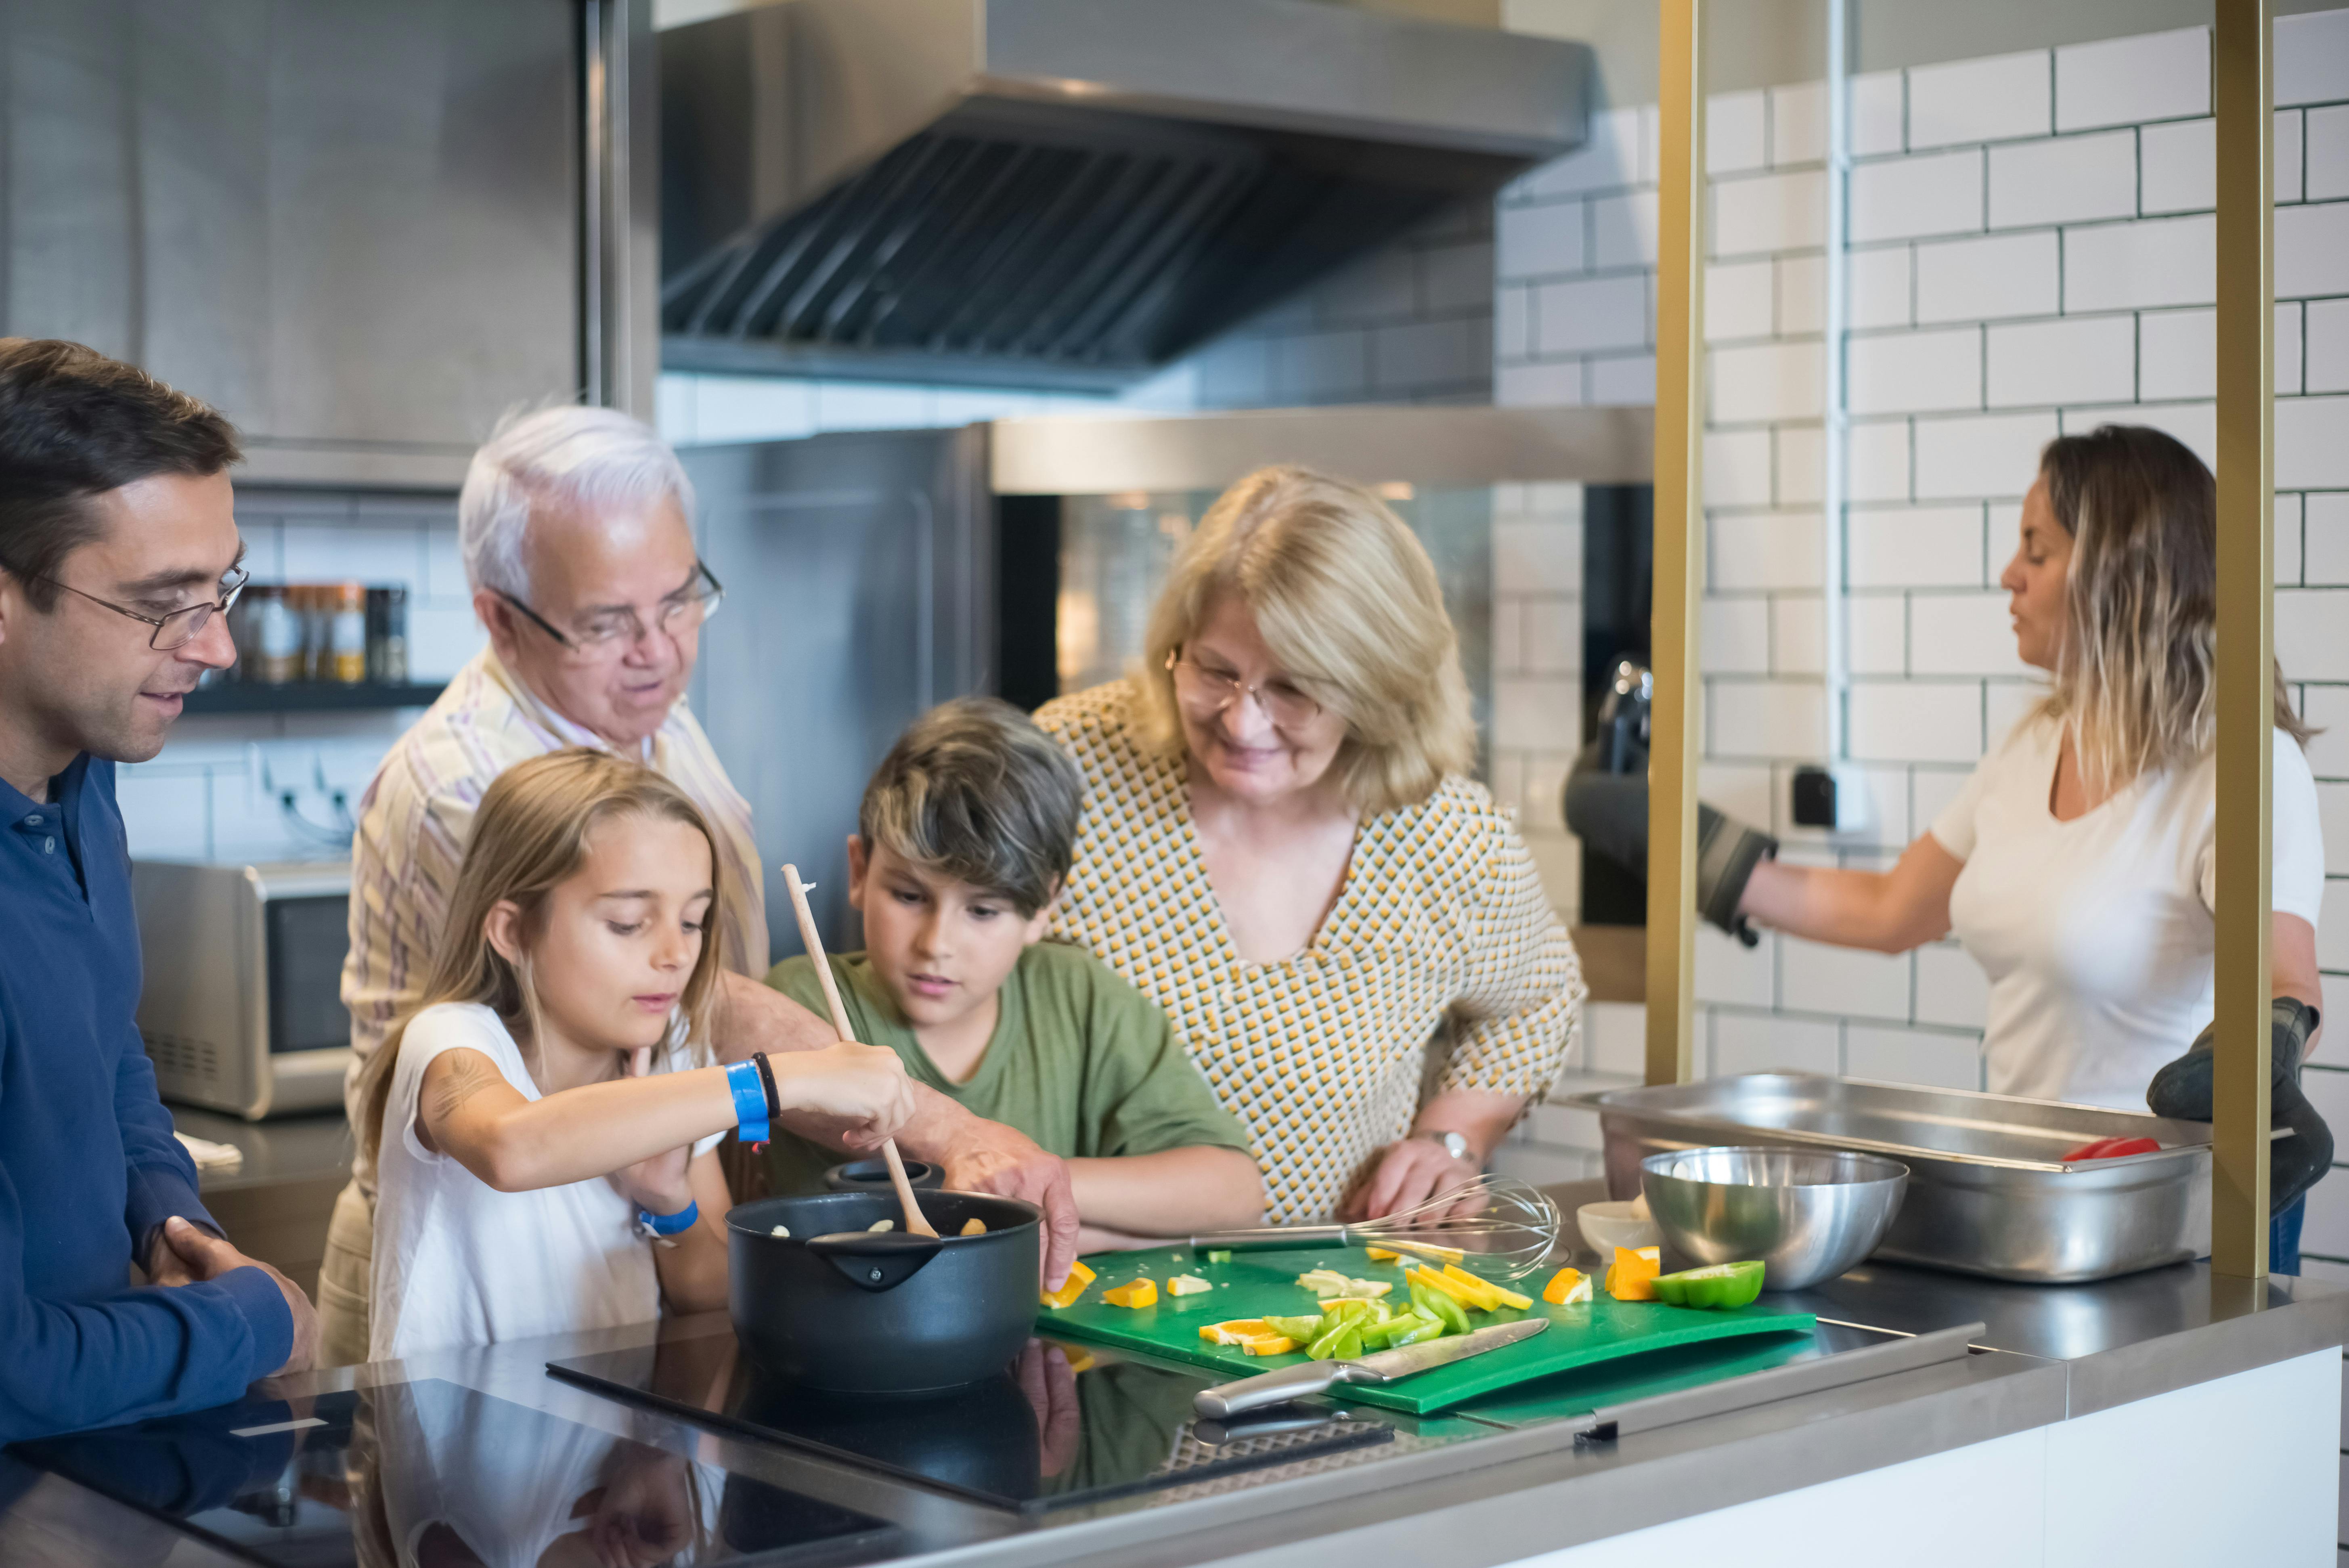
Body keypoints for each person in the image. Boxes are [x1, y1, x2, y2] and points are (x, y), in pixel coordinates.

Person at [322, 407, 1077, 1364]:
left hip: (623, 1248)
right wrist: (911, 1116)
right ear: (500, 618)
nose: (660, 649)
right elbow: (694, 1005)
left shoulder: (639, 705)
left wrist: (682, 1204)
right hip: (471, 1270)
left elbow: (682, 1035)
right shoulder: (461, 787)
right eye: (608, 623)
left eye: (680, 601)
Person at [1575, 426, 2328, 1268]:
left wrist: (2261, 1051)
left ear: (2122, 572)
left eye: (2036, 552)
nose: (2009, 574)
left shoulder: (2244, 767)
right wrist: (1680, 844)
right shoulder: (2033, 745)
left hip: (2169, 1216)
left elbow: (2284, 978)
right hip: (2039, 1198)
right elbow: (1891, 909)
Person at [1034, 466, 1585, 1226]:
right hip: (1072, 1297)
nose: (1241, 722)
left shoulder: (1449, 841)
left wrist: (1452, 1140)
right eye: (1216, 671)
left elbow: (1536, 1003)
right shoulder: (1069, 766)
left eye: (1293, 689)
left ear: (1376, 688)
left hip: (1328, 1306)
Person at [0, 338, 318, 1440]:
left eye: (220, 587)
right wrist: (254, 1318)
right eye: (165, 603)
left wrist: (165, 1214)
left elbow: (107, 1043)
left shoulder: (80, 776)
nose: (220, 645)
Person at [355, 748, 916, 1360]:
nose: (675, 954)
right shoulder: (452, 1039)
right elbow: (513, 1148)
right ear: (513, 931)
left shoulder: (672, 1051)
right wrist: (780, 1079)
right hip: (458, 1443)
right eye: (628, 924)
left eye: (695, 921)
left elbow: (708, 1289)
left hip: (616, 1440)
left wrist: (668, 1205)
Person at [763, 698, 1264, 1247]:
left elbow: (1233, 1192)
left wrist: (1035, 1180)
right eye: (909, 895)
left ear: (1044, 908)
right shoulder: (802, 1001)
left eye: (983, 911)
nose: (937, 945)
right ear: (859, 871)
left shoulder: (1080, 996)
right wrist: (1104, 1231)